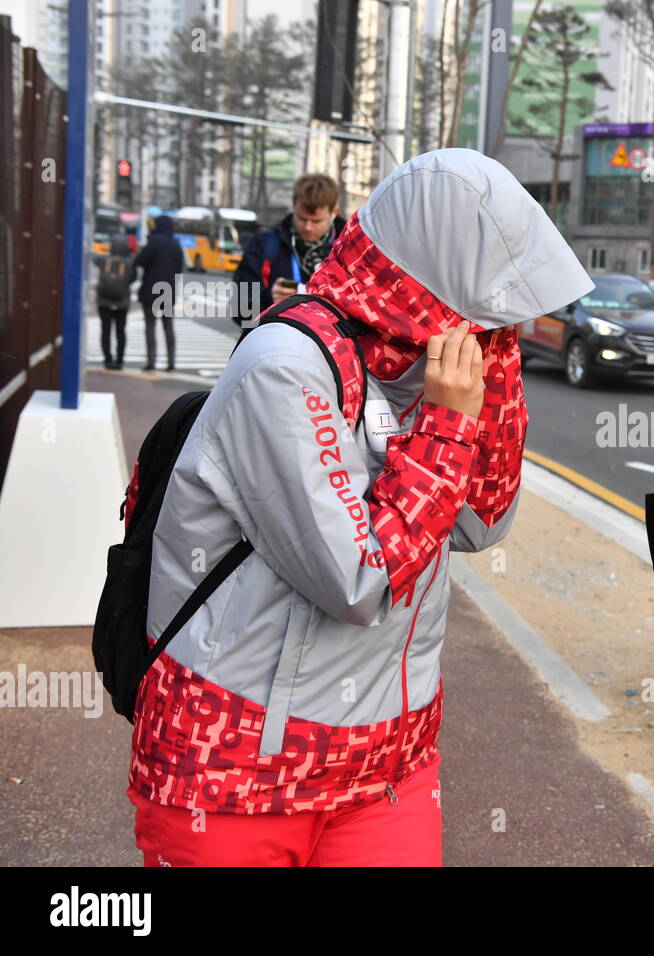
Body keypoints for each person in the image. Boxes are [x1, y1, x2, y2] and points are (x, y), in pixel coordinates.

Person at [125, 148, 594, 866]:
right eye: (494, 304)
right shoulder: (286, 365)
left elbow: (477, 523)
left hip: (388, 767)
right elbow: (357, 580)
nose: (505, 329)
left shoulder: (423, 364)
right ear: (431, 274)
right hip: (237, 769)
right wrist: (447, 425)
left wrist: (490, 388)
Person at [232, 172, 347, 327]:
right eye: (301, 218)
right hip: (275, 344)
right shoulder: (264, 243)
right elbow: (239, 311)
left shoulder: (349, 250)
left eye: (316, 221)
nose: (308, 227)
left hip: (332, 347)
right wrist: (269, 297)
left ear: (334, 213)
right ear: (293, 207)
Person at [133, 215, 185, 372]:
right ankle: (171, 363)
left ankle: (151, 362)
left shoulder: (153, 242)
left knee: (150, 326)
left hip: (150, 292)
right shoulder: (176, 245)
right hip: (167, 293)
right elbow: (179, 269)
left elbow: (139, 261)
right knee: (168, 327)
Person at [96, 235, 133, 369]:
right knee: (120, 332)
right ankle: (119, 360)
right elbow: (132, 278)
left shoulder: (103, 261)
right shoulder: (128, 263)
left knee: (105, 331)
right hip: (121, 301)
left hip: (104, 301)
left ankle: (107, 359)